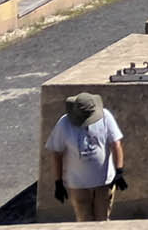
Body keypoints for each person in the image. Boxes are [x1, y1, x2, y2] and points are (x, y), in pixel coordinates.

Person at [46, 92, 127, 221]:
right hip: (78, 184)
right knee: (84, 221)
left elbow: (116, 144)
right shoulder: (64, 123)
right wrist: (58, 182)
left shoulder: (105, 117)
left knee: (102, 219)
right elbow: (57, 154)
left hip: (103, 181)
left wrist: (119, 171)